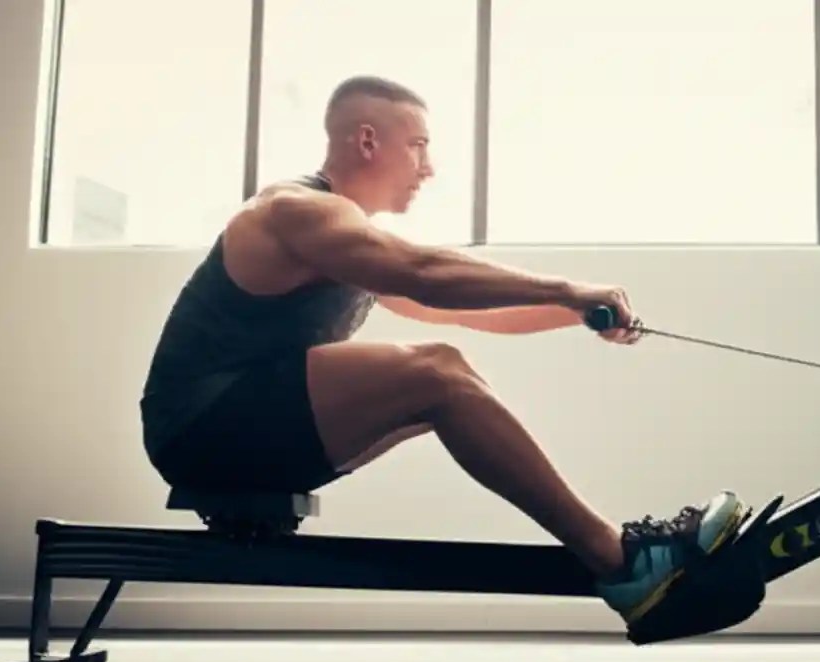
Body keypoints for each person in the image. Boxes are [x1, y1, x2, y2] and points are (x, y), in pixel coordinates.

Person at [139, 75, 746, 626]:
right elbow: (425, 274)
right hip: (200, 427)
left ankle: (626, 559)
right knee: (437, 371)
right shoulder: (296, 211)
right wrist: (566, 288)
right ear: (368, 140)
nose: (427, 168)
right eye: (419, 146)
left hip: (244, 426)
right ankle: (625, 563)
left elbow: (458, 307)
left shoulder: (347, 239)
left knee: (446, 387)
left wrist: (578, 313)